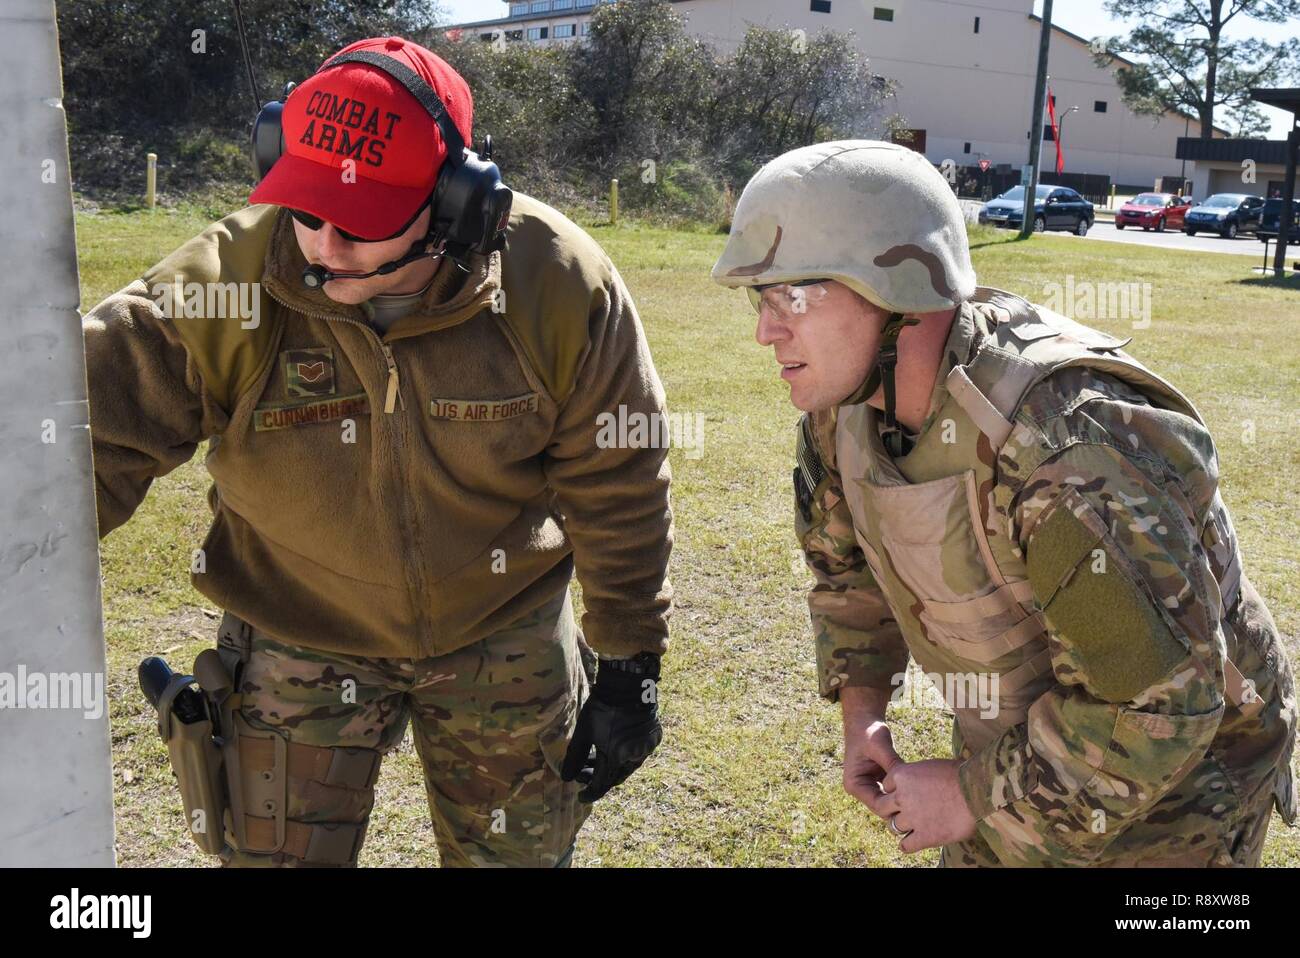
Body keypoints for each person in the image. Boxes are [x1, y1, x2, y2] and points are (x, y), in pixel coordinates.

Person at [84, 36, 673, 867]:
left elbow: (621, 480)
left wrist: (629, 661)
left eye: (358, 223)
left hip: (501, 627)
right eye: (305, 207)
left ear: (459, 203)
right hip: (298, 627)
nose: (323, 244)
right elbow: (83, 441)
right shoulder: (227, 281)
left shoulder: (560, 285)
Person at [711, 140, 1296, 866]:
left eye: (790, 297)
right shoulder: (846, 414)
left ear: (898, 293)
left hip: (1182, 792)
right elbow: (847, 574)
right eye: (758, 300)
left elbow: (1160, 703)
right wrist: (864, 712)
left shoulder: (1066, 449)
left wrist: (966, 796)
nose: (766, 330)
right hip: (1029, 744)